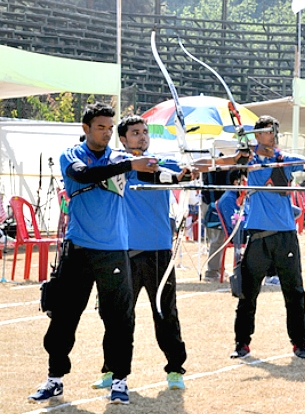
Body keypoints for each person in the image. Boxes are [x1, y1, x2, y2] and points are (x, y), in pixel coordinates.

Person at [29, 103, 158, 404]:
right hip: (79, 250)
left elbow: (156, 174)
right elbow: (82, 175)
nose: (107, 133)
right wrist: (130, 165)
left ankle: (120, 381)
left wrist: (180, 170)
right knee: (63, 316)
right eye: (101, 127)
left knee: (118, 319)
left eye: (111, 128)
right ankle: (55, 378)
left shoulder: (122, 157)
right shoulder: (72, 155)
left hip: (113, 252)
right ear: (86, 129)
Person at [89, 116, 191, 392]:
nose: (142, 137)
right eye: (135, 133)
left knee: (165, 312)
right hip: (125, 254)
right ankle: (111, 369)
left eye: (145, 132)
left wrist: (190, 170)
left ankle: (175, 369)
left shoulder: (161, 163)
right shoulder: (116, 167)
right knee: (119, 316)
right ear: (122, 139)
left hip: (159, 252)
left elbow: (180, 174)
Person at [196, 115, 305, 359]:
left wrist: (275, 159)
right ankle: (242, 343)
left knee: (295, 291)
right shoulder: (249, 158)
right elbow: (227, 162)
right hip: (259, 234)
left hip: (286, 235)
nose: (273, 136)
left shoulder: (284, 159)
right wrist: (246, 154)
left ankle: (299, 343)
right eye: (268, 132)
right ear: (256, 135)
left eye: (275, 132)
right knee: (248, 292)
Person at [201, 167, 229, 281]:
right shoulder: (217, 161)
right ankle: (211, 272)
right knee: (217, 239)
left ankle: (218, 268)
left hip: (214, 202)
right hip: (213, 204)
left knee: (220, 238)